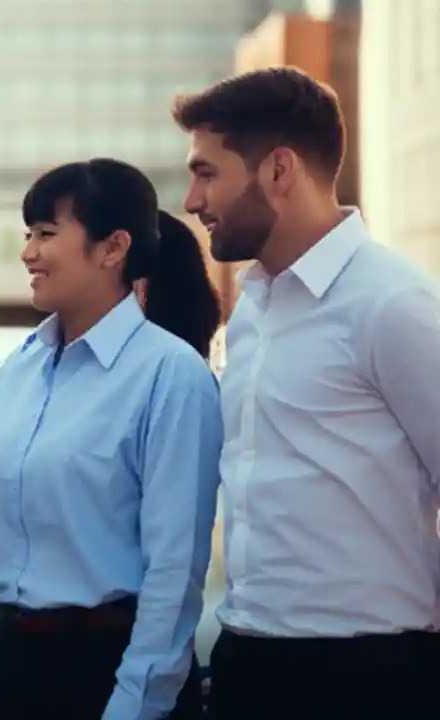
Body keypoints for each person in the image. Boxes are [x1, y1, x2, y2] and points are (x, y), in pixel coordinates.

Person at [172, 66, 440, 719]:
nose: (191, 200)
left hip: (370, 676)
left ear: (279, 170)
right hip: (250, 663)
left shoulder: (392, 302)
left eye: (207, 173)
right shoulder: (255, 311)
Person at [0, 158, 223, 720]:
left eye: (46, 234)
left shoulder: (171, 376)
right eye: (29, 235)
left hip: (107, 669)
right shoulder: (22, 368)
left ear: (113, 247)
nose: (28, 254)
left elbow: (173, 574)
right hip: (10, 669)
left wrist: (130, 709)